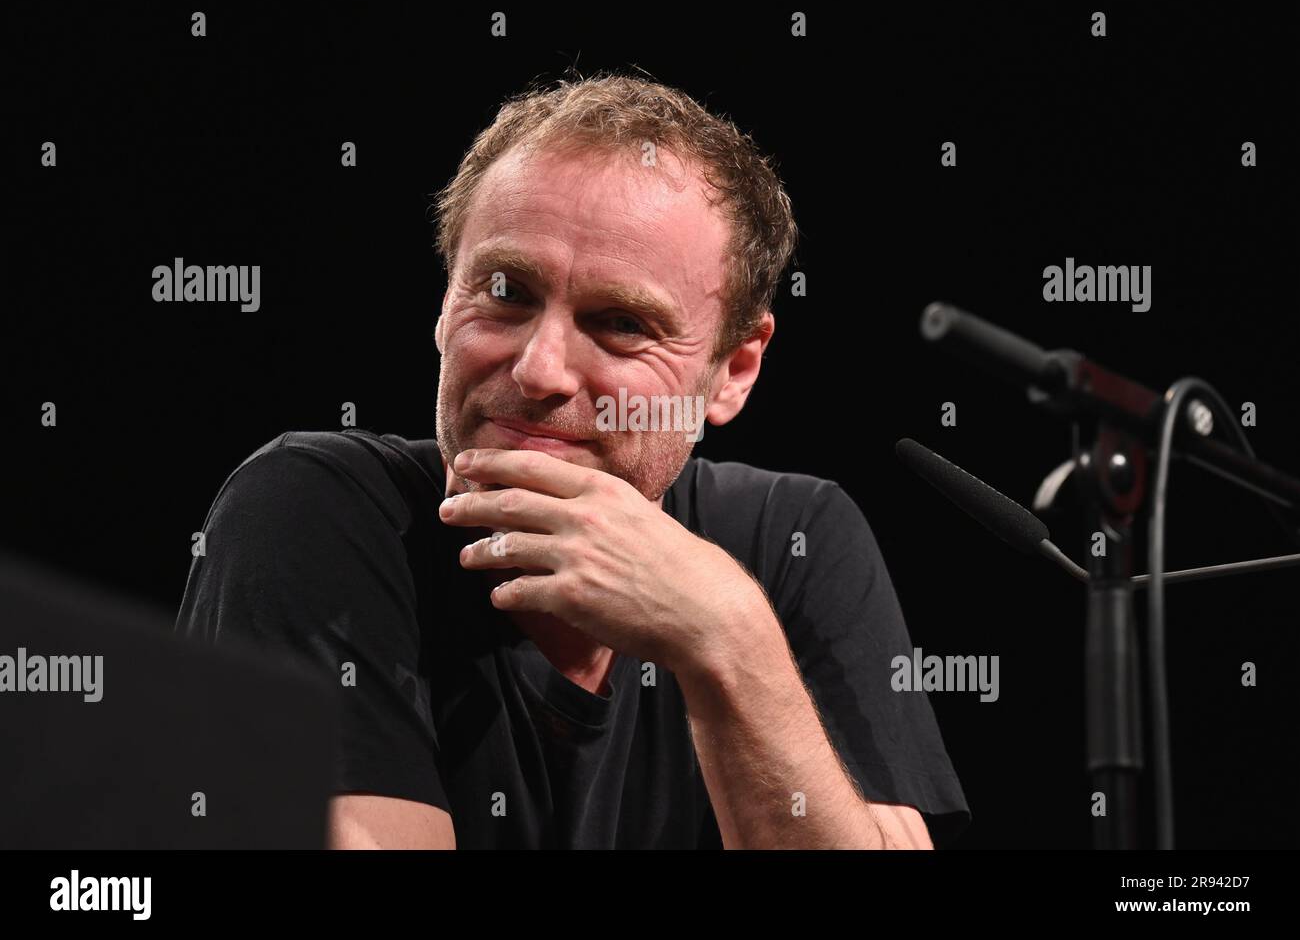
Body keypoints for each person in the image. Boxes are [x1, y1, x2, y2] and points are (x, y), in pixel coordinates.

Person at [175, 73, 971, 849]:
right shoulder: (315, 512)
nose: (539, 370)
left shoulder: (792, 537)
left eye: (621, 322)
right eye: (505, 290)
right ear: (445, 304)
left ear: (733, 369)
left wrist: (728, 637)